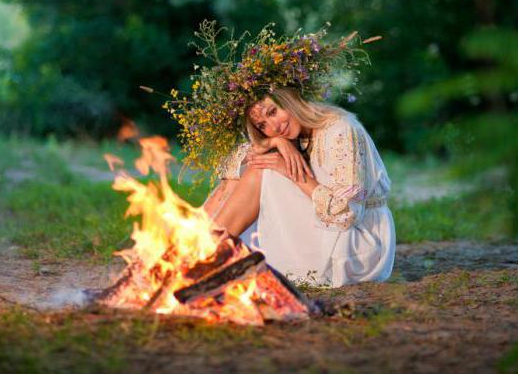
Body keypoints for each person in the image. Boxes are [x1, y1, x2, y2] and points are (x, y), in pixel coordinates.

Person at [166, 20, 395, 287]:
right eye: (262, 125)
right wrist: (274, 144)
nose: (273, 127)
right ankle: (191, 251)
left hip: (358, 247)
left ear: (290, 100)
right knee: (258, 166)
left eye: (273, 112)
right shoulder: (289, 137)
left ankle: (199, 258)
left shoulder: (341, 130)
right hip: (328, 235)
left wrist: (289, 171)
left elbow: (345, 214)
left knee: (266, 168)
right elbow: (230, 172)